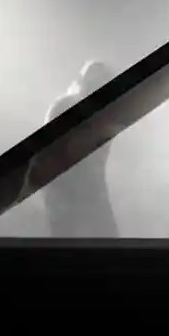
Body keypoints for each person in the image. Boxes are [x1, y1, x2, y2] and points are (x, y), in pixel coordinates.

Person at [41, 60, 120, 237]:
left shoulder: (104, 113)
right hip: (64, 189)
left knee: (108, 239)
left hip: (90, 189)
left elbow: (98, 161)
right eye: (95, 84)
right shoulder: (62, 107)